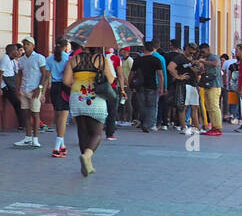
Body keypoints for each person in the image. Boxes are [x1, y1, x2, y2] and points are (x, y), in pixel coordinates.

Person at [62, 44, 116, 176]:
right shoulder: (102, 59)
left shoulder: (73, 59)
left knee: (82, 132)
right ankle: (87, 156)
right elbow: (110, 79)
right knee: (96, 133)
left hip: (77, 97)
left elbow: (66, 81)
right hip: (95, 98)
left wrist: (78, 81)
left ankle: (87, 165)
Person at [15, 37, 48, 147]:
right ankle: (28, 137)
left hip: (35, 90)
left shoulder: (39, 58)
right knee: (26, 114)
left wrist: (40, 88)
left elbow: (44, 74)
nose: (25, 46)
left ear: (33, 46)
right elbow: (20, 74)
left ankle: (36, 138)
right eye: (24, 44)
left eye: (28, 44)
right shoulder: (21, 60)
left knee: (35, 114)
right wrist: (18, 88)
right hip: (24, 89)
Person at [128, 41, 166, 133]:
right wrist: (162, 87)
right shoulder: (156, 60)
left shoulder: (138, 60)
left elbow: (132, 74)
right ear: (153, 49)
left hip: (140, 85)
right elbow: (160, 75)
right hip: (152, 85)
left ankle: (143, 122)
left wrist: (130, 84)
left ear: (144, 49)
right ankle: (149, 124)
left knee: (142, 105)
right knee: (152, 106)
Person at [45, 39, 71, 157]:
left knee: (58, 117)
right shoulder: (68, 59)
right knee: (63, 119)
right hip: (65, 88)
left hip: (54, 88)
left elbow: (46, 78)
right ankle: (56, 147)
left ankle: (62, 145)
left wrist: (42, 93)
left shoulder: (49, 59)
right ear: (65, 46)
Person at [0, 42, 22, 132]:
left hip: (11, 84)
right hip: (6, 86)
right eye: (16, 50)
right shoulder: (5, 59)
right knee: (18, 104)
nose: (18, 52)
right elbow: (0, 73)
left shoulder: (11, 60)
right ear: (11, 51)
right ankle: (21, 125)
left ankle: (22, 125)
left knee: (18, 104)